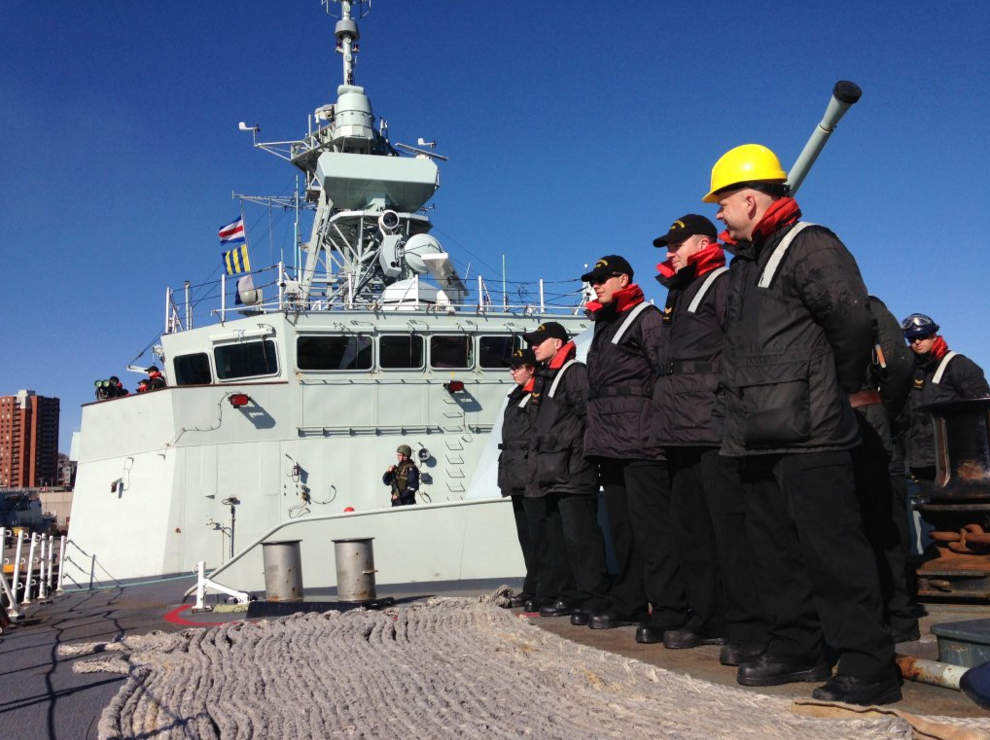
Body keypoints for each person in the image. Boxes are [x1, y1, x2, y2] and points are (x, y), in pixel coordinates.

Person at [704, 143, 899, 705]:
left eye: (722, 202)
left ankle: (868, 666)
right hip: (755, 432)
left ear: (748, 199)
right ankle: (798, 647)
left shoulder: (810, 245)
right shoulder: (746, 262)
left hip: (812, 430)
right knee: (775, 551)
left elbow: (853, 324)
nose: (718, 213)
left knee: (833, 550)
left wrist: (829, 389)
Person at [651, 214, 767, 664]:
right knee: (692, 531)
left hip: (714, 425)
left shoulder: (722, 282)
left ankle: (746, 622)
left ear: (702, 242)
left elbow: (739, 348)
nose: (668, 253)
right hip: (678, 428)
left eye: (675, 244)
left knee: (731, 531)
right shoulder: (677, 294)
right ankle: (706, 614)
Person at [579, 255, 670, 637]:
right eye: (593, 280)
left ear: (623, 278)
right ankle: (631, 601)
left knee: (654, 531)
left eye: (602, 278)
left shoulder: (646, 318)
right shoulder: (605, 323)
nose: (595, 284)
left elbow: (663, 370)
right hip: (609, 442)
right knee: (623, 530)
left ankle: (666, 607)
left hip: (640, 441)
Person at [523, 321, 611, 619]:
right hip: (551, 474)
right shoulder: (546, 378)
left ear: (558, 343)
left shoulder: (574, 373)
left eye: (539, 341)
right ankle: (569, 595)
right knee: (559, 540)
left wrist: (580, 455)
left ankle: (596, 599)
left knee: (581, 539)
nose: (533, 346)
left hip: (573, 472)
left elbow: (589, 418)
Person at [850, 297, 918, 644]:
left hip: (867, 419)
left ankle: (901, 615)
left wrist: (880, 409)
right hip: (835, 423)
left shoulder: (870, 307)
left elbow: (899, 364)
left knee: (884, 521)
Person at [902, 313, 990, 490]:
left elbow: (983, 410)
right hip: (920, 461)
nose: (917, 342)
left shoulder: (958, 365)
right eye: (912, 339)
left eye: (922, 336)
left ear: (934, 335)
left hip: (958, 463)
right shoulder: (910, 372)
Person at [497, 348, 540, 610]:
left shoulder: (536, 396)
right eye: (511, 367)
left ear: (531, 369)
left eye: (518, 366)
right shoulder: (516, 396)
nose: (512, 371)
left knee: (538, 537)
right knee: (526, 536)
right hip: (515, 474)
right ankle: (533, 587)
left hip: (530, 475)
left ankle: (541, 588)